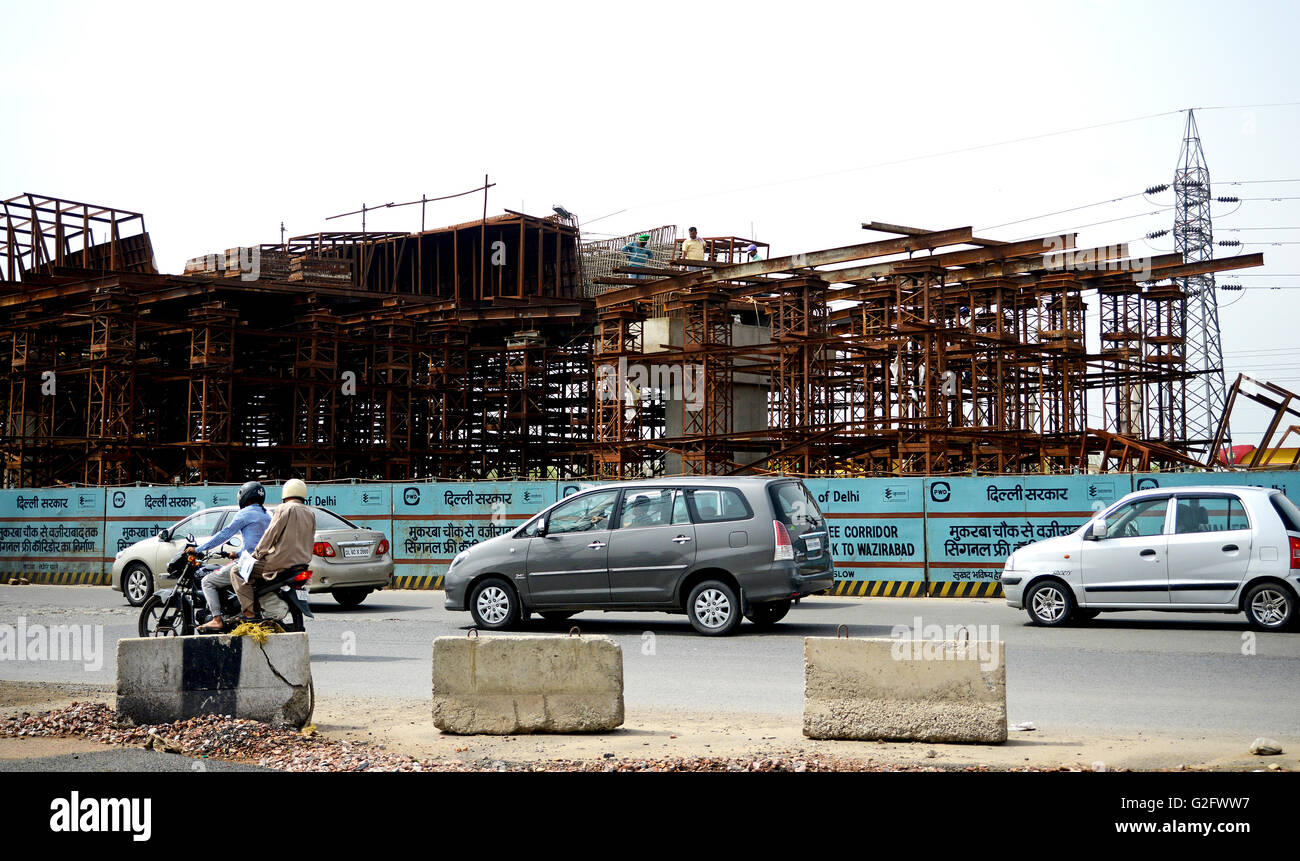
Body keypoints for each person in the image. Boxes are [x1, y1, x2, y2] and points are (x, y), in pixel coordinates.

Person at [230, 478, 316, 624]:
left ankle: (249, 613)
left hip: (279, 564)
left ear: (285, 493)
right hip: (301, 565)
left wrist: (256, 555)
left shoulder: (284, 509)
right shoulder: (310, 513)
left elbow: (271, 535)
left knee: (237, 571)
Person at [196, 481, 270, 633]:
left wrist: (199, 549)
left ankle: (217, 620)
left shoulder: (245, 513)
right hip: (266, 561)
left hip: (251, 563)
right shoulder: (266, 514)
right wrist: (238, 553)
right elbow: (256, 543)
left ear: (245, 497)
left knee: (207, 581)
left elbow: (224, 534)